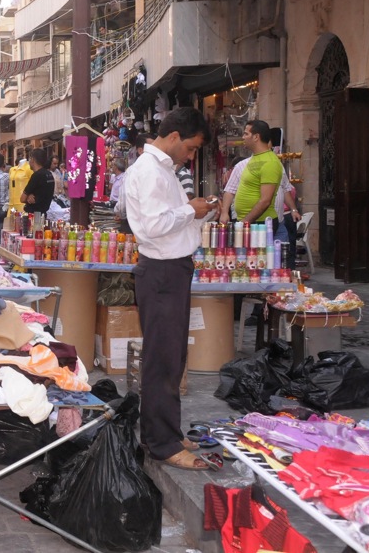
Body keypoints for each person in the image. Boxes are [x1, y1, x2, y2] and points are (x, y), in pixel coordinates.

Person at [122, 107, 217, 471]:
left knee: (173, 356)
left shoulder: (164, 171)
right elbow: (151, 226)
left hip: (173, 269)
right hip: (161, 272)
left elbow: (171, 220)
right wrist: (190, 210)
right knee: (162, 357)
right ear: (175, 137)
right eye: (191, 148)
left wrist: (199, 210)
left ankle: (168, 432)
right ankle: (160, 442)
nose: (192, 156)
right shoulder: (148, 171)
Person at [233, 120, 283, 227]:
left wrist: (245, 222)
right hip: (250, 222)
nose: (243, 137)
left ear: (256, 137)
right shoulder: (256, 157)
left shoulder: (270, 162)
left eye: (246, 134)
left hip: (260, 223)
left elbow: (265, 200)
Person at [21, 149, 55, 217]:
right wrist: (29, 196)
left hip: (33, 215)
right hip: (43, 213)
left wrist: (27, 198)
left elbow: (22, 199)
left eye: (29, 159)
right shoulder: (50, 175)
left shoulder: (36, 175)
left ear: (32, 159)